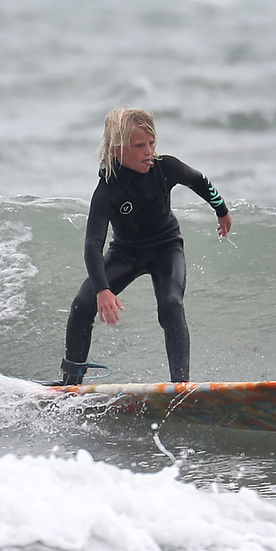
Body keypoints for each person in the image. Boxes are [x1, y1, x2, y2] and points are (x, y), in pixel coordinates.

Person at [57, 108, 231, 386]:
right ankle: (70, 382)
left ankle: (180, 386)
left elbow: (198, 180)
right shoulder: (107, 191)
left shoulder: (165, 168)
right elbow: (92, 244)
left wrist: (221, 209)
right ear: (116, 150)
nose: (149, 152)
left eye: (151, 144)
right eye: (139, 146)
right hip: (126, 253)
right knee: (82, 303)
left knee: (170, 303)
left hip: (166, 249)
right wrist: (102, 290)